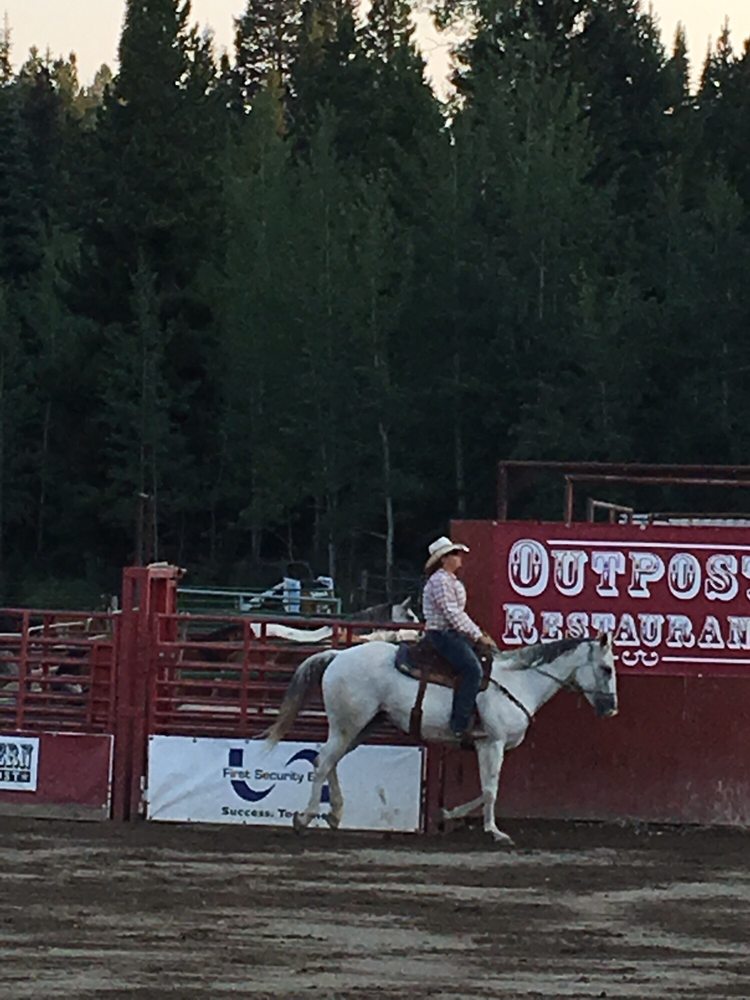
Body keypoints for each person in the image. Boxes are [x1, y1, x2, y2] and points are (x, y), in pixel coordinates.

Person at [421, 535, 494, 741]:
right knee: (472, 669)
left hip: (449, 633)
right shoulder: (441, 581)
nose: (459, 557)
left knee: (479, 663)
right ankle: (459, 724)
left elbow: (455, 613)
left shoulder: (447, 580)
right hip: (442, 634)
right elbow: (452, 613)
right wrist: (478, 635)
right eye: (454, 554)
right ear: (443, 559)